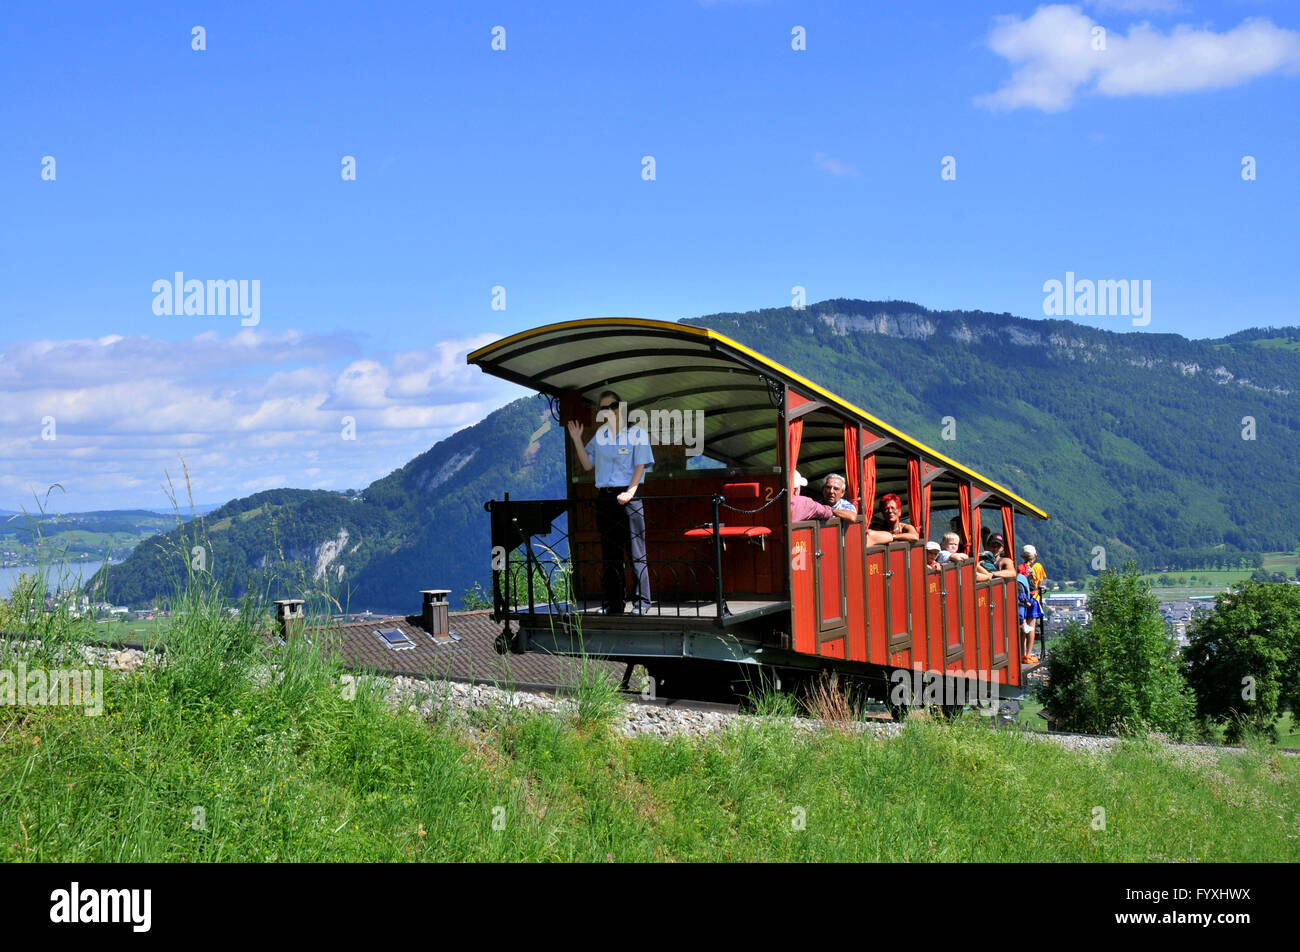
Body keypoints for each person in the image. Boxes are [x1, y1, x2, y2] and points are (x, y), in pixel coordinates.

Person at [567, 390, 653, 615]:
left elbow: (641, 465)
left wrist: (630, 492)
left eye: (613, 405)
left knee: (636, 553)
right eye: (604, 408)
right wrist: (576, 439)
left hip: (629, 498)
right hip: (605, 497)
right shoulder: (600, 435)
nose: (609, 411)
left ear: (621, 407)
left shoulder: (637, 433)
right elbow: (587, 465)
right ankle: (613, 604)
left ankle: (642, 604)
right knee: (610, 554)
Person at [1018, 544, 1047, 661]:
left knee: (1022, 626)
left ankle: (1021, 654)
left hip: (1022, 599)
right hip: (1033, 599)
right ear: (1035, 555)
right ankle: (1029, 655)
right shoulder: (1038, 566)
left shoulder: (1019, 567)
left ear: (1023, 556)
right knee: (1031, 627)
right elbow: (1040, 581)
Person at [790, 471, 855, 523]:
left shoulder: (846, 505)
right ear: (823, 489)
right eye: (828, 487)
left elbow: (852, 517)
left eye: (836, 489)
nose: (831, 491)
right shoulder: (816, 505)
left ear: (842, 493)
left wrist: (832, 511)